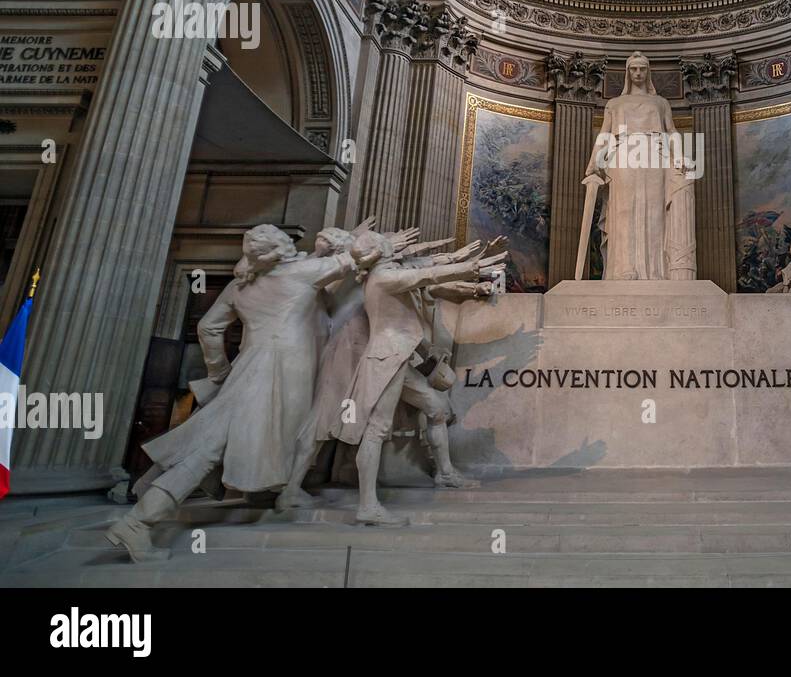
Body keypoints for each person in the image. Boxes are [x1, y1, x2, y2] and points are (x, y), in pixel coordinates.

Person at [106, 225, 356, 562]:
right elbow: (355, 258)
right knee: (213, 444)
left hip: (247, 367)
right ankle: (140, 521)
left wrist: (219, 372)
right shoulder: (299, 274)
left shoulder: (241, 285)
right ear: (282, 249)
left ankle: (156, 497)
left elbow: (208, 329)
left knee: (227, 437)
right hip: (281, 373)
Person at [334, 231, 507, 527]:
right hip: (387, 358)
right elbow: (429, 275)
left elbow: (430, 280)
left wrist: (472, 276)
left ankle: (445, 472)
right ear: (381, 249)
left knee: (437, 407)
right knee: (376, 429)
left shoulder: (385, 275)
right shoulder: (384, 277)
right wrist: (476, 266)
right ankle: (368, 505)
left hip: (401, 357)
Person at [585, 53, 681, 280]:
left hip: (654, 157)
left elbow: (672, 131)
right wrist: (593, 165)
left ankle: (657, 270)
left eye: (642, 69)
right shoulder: (615, 104)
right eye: (633, 69)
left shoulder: (661, 103)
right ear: (627, 73)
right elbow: (605, 135)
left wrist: (679, 157)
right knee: (624, 211)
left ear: (648, 72)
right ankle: (624, 268)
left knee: (655, 212)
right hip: (623, 157)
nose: (638, 73)